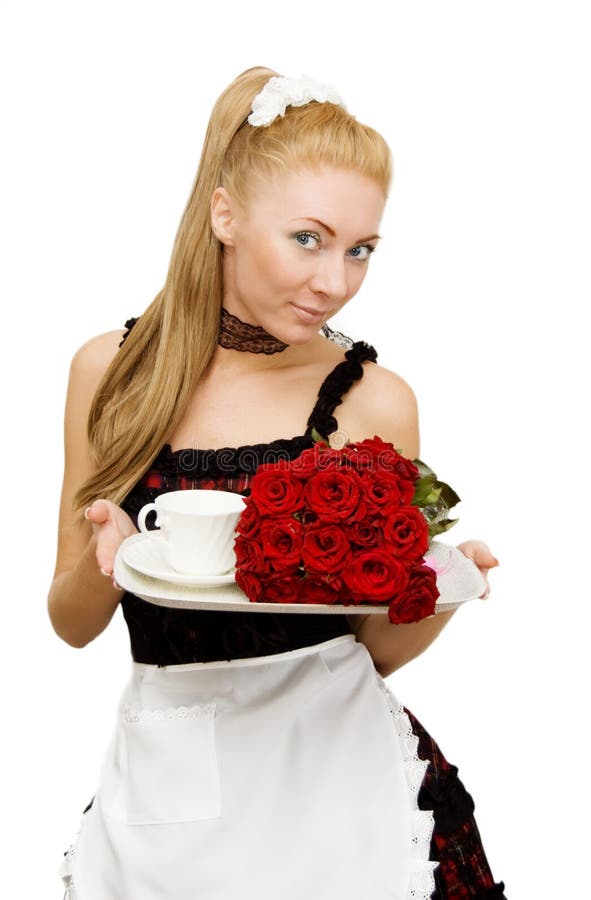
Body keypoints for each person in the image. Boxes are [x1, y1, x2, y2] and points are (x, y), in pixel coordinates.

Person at [49, 67, 506, 899]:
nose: (335, 280)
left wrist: (435, 595)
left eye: (359, 249)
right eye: (308, 238)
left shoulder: (373, 399)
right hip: (169, 787)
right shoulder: (110, 373)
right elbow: (70, 624)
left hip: (343, 781)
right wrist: (102, 561)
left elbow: (369, 650)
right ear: (225, 214)